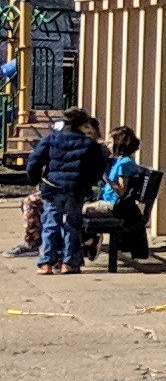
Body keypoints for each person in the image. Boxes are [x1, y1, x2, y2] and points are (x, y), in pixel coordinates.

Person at [32, 113, 102, 272]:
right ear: (82, 124)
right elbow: (98, 168)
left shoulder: (51, 140)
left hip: (52, 187)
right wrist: (87, 183)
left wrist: (36, 179)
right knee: (72, 224)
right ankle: (68, 263)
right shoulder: (90, 144)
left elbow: (34, 161)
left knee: (50, 223)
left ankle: (46, 263)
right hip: (75, 189)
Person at [78, 127, 146, 265]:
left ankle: (89, 242)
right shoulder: (118, 161)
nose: (107, 145)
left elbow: (121, 190)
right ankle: (90, 241)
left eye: (110, 142)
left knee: (76, 211)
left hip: (113, 206)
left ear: (118, 143)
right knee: (75, 209)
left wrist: (107, 178)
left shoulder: (124, 164)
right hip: (109, 202)